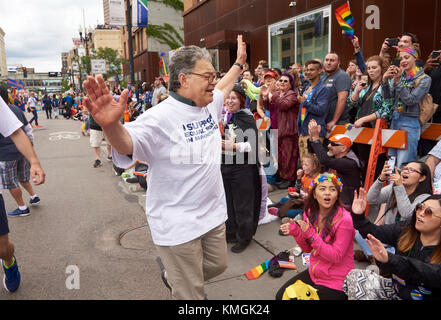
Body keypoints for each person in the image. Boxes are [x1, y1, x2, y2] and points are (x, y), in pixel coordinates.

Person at [83, 35, 247, 300]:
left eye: (213, 75)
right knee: (191, 293)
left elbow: (225, 87)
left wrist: (239, 63)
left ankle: (176, 277)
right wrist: (110, 125)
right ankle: (182, 284)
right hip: (177, 222)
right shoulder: (158, 118)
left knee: (218, 265)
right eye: (207, 76)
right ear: (183, 79)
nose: (213, 81)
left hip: (213, 213)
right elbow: (126, 144)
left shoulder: (208, 102)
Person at [344, 189, 441, 300]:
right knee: (356, 277)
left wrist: (391, 259)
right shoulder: (407, 229)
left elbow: (425, 272)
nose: (421, 213)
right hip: (396, 291)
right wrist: (359, 216)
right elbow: (374, 232)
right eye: (420, 207)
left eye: (429, 212)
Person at [276, 173, 355, 300]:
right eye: (322, 189)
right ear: (314, 194)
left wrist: (311, 234)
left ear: (337, 195)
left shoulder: (345, 220)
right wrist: (296, 232)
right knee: (282, 296)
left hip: (337, 282)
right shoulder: (311, 212)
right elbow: (307, 248)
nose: (327, 193)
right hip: (315, 273)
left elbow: (336, 256)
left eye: (332, 189)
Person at [0, 95, 45, 292]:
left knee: (2, 249)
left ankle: (9, 262)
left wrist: (34, 161)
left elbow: (18, 132)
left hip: (8, 156)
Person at [354, 160, 433, 262]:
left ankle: (373, 256)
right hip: (386, 235)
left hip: (404, 241)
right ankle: (375, 257)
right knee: (357, 233)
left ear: (422, 178)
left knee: (398, 254)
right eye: (405, 169)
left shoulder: (425, 198)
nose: (405, 172)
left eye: (412, 170)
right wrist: (381, 179)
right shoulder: (394, 187)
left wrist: (400, 187)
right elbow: (371, 198)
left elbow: (407, 214)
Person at [221, 85, 261, 253]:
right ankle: (231, 232)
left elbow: (252, 145)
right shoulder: (225, 117)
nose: (230, 101)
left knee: (243, 204)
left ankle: (244, 237)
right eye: (228, 98)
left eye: (234, 98)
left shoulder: (246, 117)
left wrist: (234, 146)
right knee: (227, 201)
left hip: (243, 167)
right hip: (225, 165)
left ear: (241, 101)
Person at [382, 47, 431, 168]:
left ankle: (402, 187)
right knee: (391, 163)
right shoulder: (400, 76)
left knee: (404, 164)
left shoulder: (424, 79)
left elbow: (411, 100)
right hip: (395, 119)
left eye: (406, 57)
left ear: (415, 57)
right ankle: (392, 187)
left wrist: (397, 82)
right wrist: (384, 80)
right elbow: (387, 98)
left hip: (410, 122)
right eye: (401, 58)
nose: (403, 61)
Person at [348, 55, 391, 178]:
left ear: (382, 69)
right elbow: (351, 104)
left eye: (374, 67)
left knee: (376, 167)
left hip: (376, 130)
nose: (371, 70)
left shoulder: (386, 85)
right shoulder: (365, 85)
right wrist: (356, 91)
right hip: (360, 130)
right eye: (369, 68)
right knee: (363, 165)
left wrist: (363, 119)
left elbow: (386, 110)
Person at [0, 86, 41, 217]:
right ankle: (33, 196)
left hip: (6, 154)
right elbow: (27, 129)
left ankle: (22, 207)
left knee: (11, 182)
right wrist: (30, 147)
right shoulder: (16, 109)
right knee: (23, 178)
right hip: (22, 151)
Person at [308, 120, 362, 206]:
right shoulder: (335, 155)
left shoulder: (349, 162)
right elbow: (315, 152)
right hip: (333, 198)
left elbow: (324, 160)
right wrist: (312, 136)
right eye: (329, 143)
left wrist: (315, 138)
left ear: (343, 149)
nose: (329, 146)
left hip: (346, 204)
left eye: (333, 144)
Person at [264, 73, 299, 189]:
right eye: (281, 81)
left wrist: (273, 95)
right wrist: (265, 98)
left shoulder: (292, 95)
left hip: (288, 130)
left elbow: (284, 105)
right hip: (276, 128)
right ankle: (282, 177)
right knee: (279, 156)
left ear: (290, 84)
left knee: (288, 156)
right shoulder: (277, 94)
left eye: (285, 81)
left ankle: (289, 179)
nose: (282, 83)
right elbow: (269, 107)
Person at [297, 60, 330, 160]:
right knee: (304, 165)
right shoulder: (307, 87)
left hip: (314, 133)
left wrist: (304, 102)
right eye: (306, 70)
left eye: (311, 70)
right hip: (302, 131)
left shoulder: (323, 89)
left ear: (320, 71)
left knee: (314, 166)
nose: (308, 72)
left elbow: (321, 110)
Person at [321, 52, 352, 132]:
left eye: (332, 60)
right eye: (327, 60)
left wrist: (334, 121)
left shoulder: (342, 76)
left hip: (338, 122)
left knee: (336, 144)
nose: (328, 63)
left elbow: (342, 99)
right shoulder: (324, 76)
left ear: (338, 62)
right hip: (324, 121)